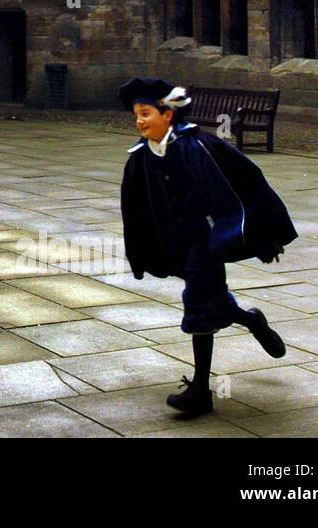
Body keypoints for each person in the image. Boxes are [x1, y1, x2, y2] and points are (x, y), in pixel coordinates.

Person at [118, 77, 298, 417]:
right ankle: (251, 320)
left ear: (167, 114)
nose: (140, 121)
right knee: (209, 298)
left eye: (146, 113)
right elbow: (136, 207)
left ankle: (201, 391)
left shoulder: (197, 146)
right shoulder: (142, 156)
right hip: (177, 244)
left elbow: (245, 185)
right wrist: (141, 251)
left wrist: (263, 239)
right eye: (136, 115)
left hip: (207, 241)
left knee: (198, 303)